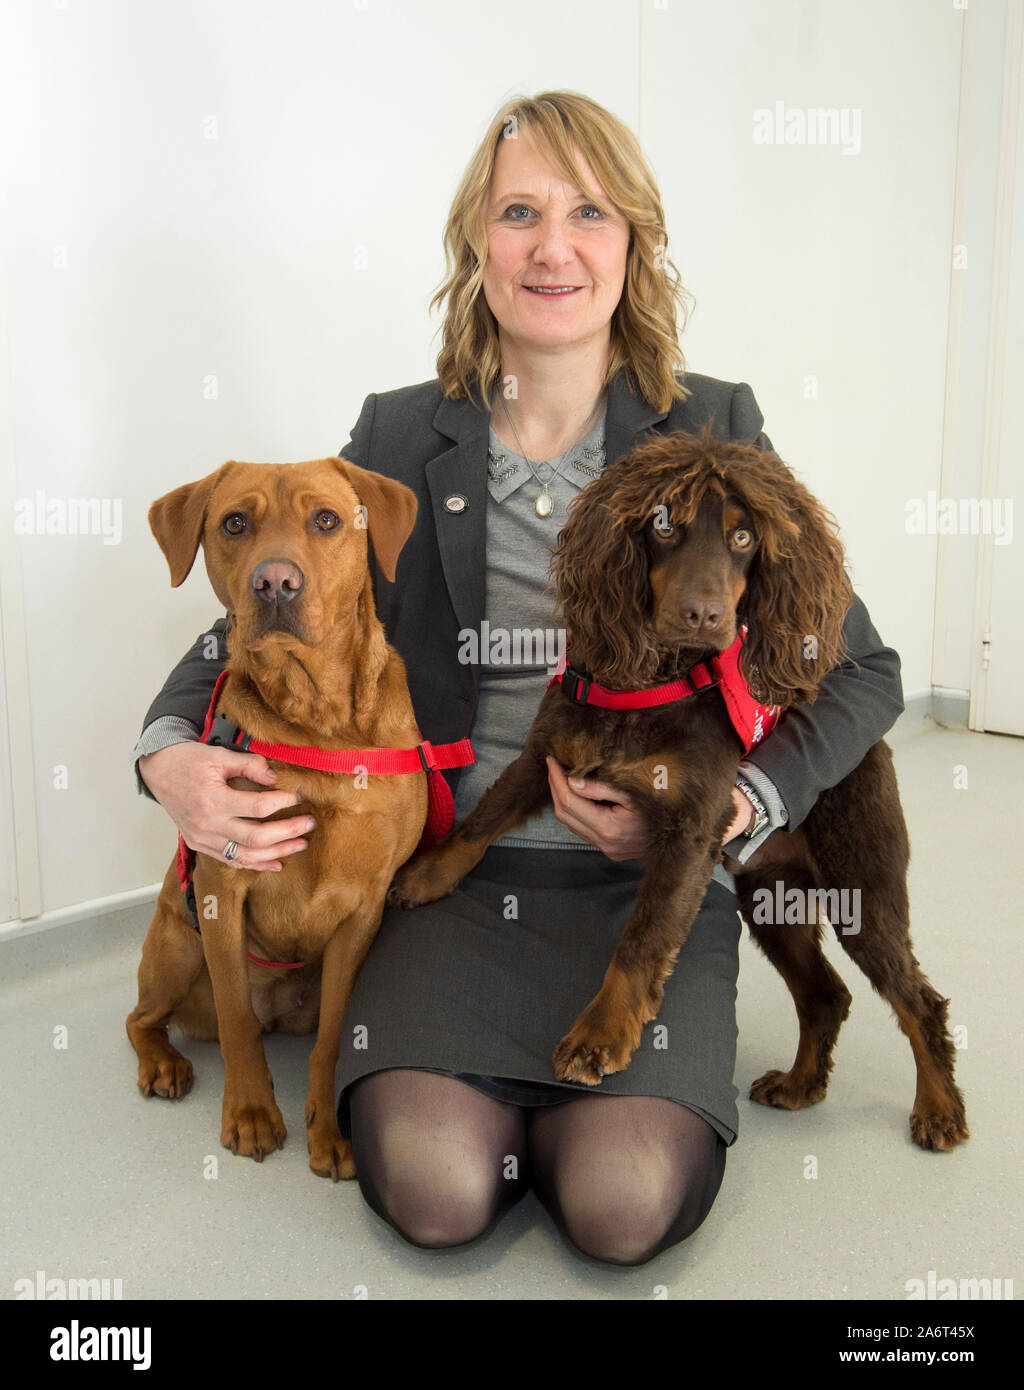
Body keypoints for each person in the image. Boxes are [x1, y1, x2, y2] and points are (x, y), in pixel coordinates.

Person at [133, 91, 904, 1266]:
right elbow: (275, 613)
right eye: (520, 212)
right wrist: (168, 750)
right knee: (440, 1188)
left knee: (618, 1203)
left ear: (632, 241)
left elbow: (866, 670)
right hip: (456, 871)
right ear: (475, 245)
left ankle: (593, 1101)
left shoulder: (711, 425)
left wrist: (737, 807)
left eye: (589, 211)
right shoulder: (397, 436)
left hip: (647, 891)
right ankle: (500, 1084)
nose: (554, 245)